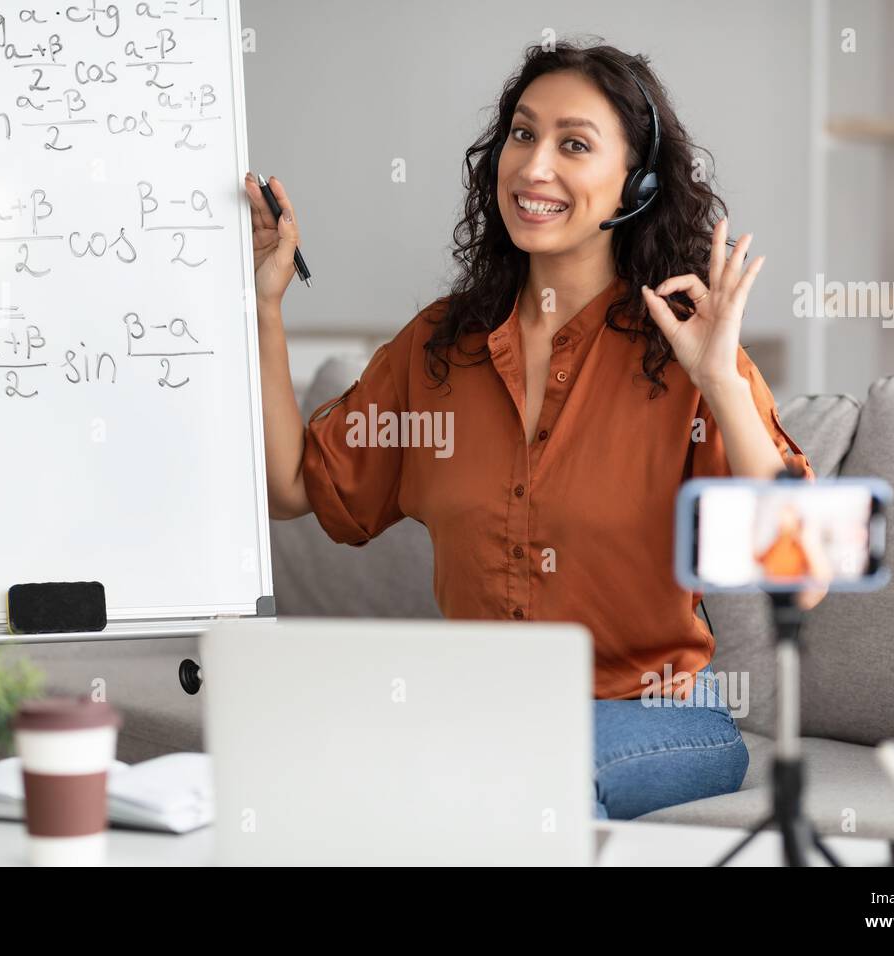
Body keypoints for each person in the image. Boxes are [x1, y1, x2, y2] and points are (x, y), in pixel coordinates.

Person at [245, 41, 825, 820]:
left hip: (657, 717)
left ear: (637, 183)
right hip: (484, 714)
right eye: (522, 135)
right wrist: (264, 307)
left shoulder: (688, 351)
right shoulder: (437, 349)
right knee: (319, 768)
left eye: (574, 145)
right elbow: (292, 487)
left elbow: (802, 573)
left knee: (513, 784)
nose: (533, 166)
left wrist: (720, 380)